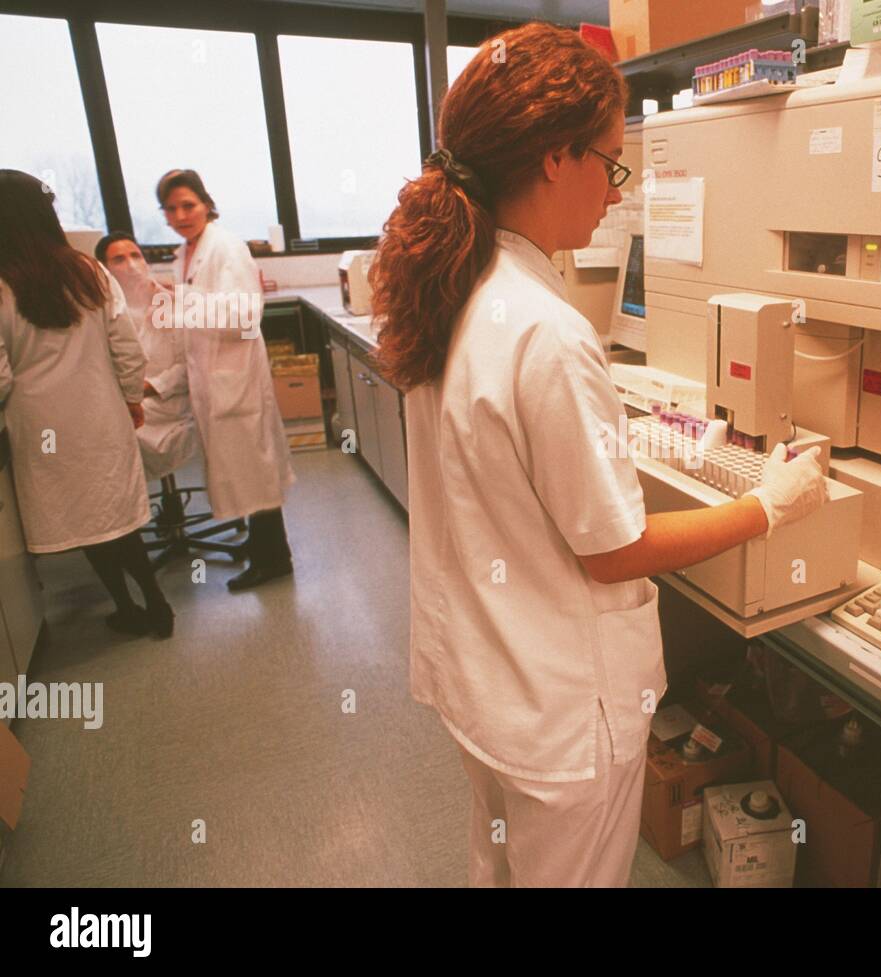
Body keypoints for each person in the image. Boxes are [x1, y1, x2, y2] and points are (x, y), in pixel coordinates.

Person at [371, 23, 827, 888]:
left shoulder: (454, 287)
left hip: (488, 689)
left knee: (499, 873)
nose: (617, 194)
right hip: (556, 715)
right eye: (611, 164)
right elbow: (613, 551)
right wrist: (770, 504)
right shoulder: (547, 333)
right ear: (553, 157)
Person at [0, 169, 174, 638]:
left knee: (85, 522)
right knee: (117, 517)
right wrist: (132, 399)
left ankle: (125, 606)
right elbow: (127, 349)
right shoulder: (90, 271)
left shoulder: (2, 284)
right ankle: (156, 603)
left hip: (42, 432)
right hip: (101, 416)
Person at [156, 169, 295, 591]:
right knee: (244, 473)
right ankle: (266, 549)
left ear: (205, 204)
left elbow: (243, 317)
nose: (181, 215)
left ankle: (274, 559)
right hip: (214, 380)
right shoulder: (186, 253)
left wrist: (180, 299)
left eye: (188, 205)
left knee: (254, 472)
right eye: (171, 208)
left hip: (235, 382)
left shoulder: (226, 248)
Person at [95, 232, 200, 481]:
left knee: (108, 428)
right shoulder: (102, 314)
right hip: (129, 403)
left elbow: (192, 365)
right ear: (104, 271)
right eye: (119, 260)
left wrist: (145, 388)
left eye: (136, 256)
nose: (131, 265)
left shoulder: (171, 303)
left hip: (174, 404)